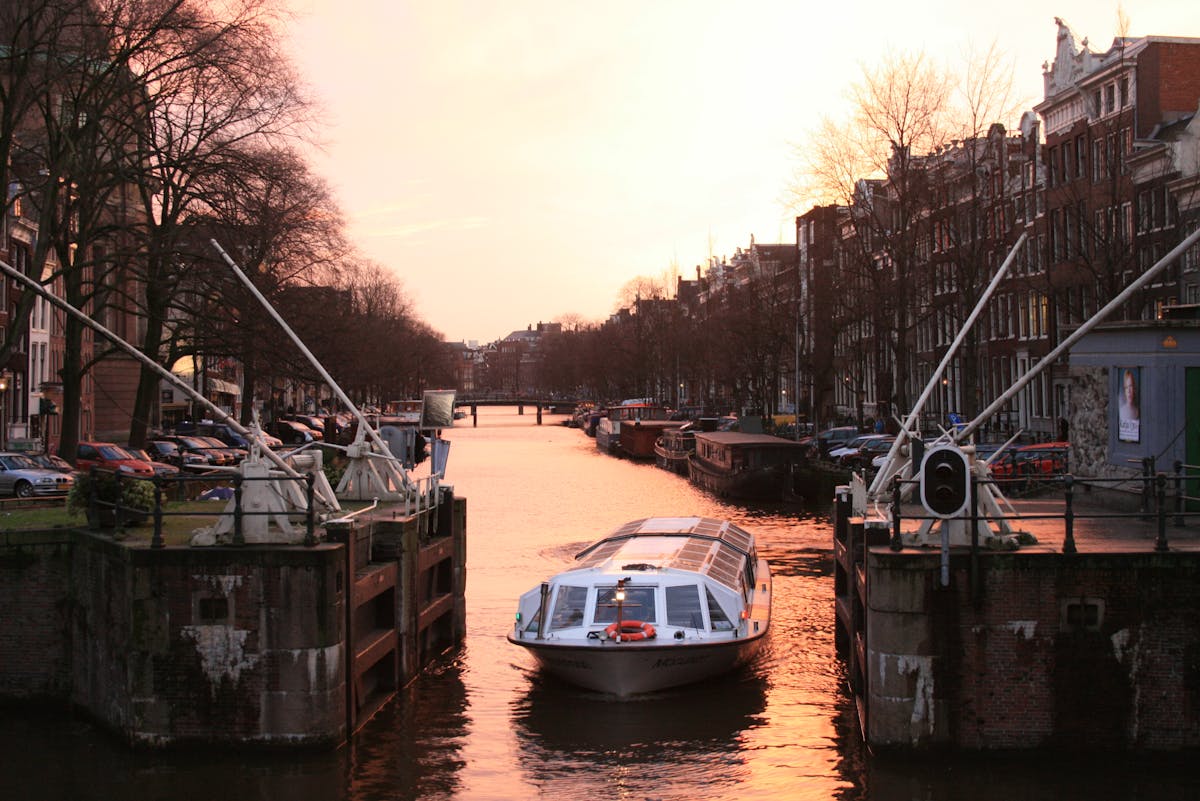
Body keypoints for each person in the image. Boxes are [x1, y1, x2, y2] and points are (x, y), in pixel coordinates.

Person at [1118, 368, 1139, 442]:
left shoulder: (1138, 410)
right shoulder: (1121, 411)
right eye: (1127, 387)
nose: (1129, 391)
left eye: (1131, 386)